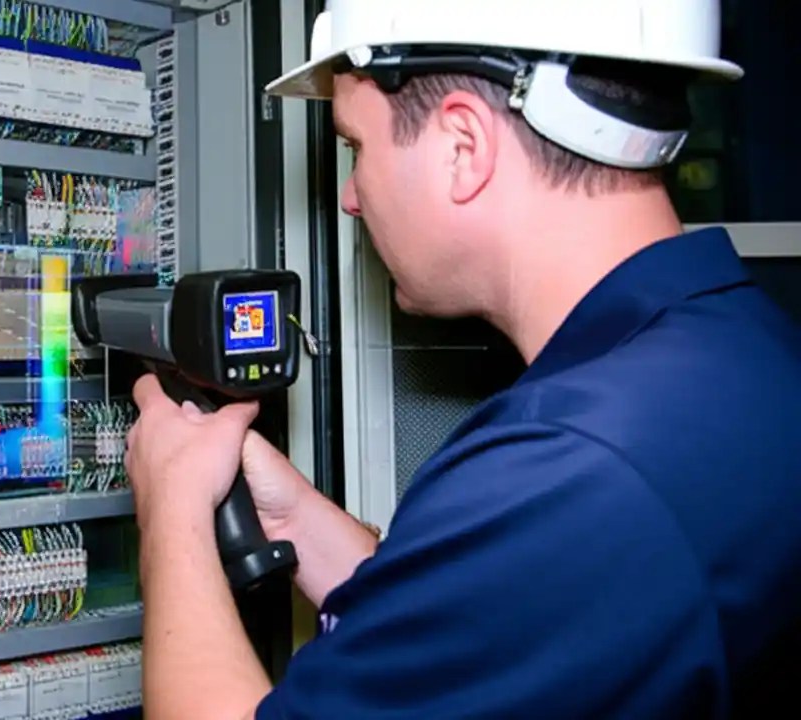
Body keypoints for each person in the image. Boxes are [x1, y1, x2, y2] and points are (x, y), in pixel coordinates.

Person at [122, 1, 801, 718]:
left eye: (357, 149)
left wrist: (172, 508)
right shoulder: (738, 351)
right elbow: (511, 625)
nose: (351, 198)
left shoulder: (573, 464)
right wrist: (292, 520)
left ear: (461, 146)